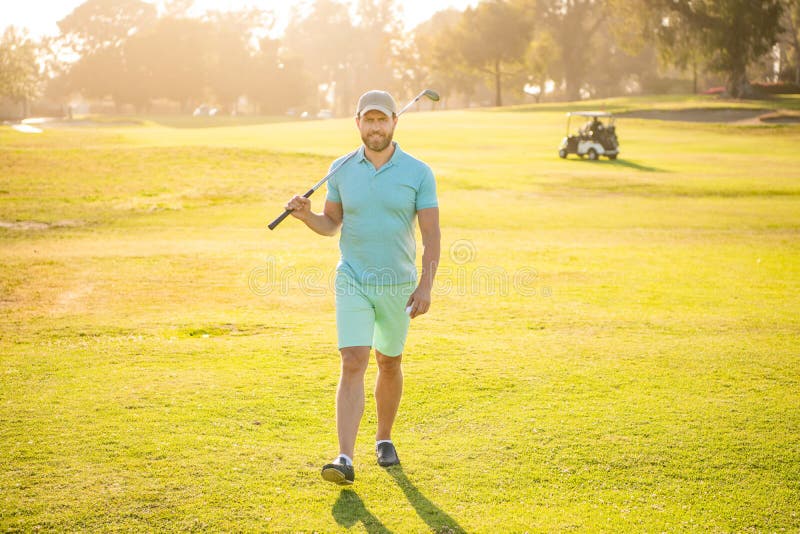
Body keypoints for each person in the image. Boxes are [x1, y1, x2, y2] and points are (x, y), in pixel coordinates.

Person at [283, 90, 441, 485]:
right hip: (352, 278)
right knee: (353, 360)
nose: (375, 127)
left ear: (393, 122)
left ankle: (383, 437)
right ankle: (344, 458)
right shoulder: (340, 169)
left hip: (399, 285)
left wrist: (425, 285)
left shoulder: (418, 172)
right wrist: (306, 217)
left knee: (389, 362)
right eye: (367, 120)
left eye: (381, 120)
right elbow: (331, 224)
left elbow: (432, 234)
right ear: (357, 123)